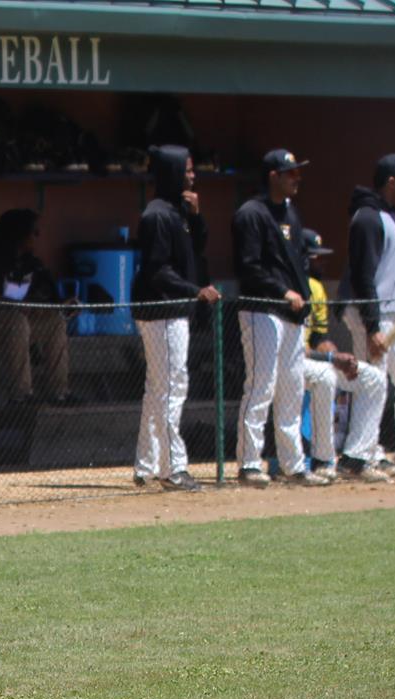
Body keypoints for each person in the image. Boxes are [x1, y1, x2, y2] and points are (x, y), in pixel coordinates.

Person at [232, 149, 324, 487]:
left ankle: (293, 465)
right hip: (261, 310)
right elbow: (249, 267)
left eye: (297, 173)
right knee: (261, 386)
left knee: (291, 390)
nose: (297, 179)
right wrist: (282, 291)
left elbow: (299, 263)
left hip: (291, 315)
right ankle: (248, 464)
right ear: (273, 176)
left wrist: (303, 296)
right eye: (291, 174)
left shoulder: (290, 213)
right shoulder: (251, 214)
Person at [130, 144, 218, 491]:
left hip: (172, 310)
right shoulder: (156, 215)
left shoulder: (178, 211)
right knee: (171, 388)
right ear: (171, 172)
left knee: (158, 389)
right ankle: (172, 468)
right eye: (186, 169)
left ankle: (147, 463)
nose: (192, 175)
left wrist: (196, 217)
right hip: (161, 311)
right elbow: (157, 270)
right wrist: (193, 290)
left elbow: (197, 249)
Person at [339, 154, 395, 477]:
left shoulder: (392, 218)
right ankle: (360, 456)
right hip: (375, 316)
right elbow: (364, 276)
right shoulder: (367, 217)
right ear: (391, 182)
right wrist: (372, 326)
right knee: (373, 385)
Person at [298, 230, 391, 484]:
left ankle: (356, 457)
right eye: (316, 258)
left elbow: (318, 337)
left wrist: (338, 354)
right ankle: (322, 460)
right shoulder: (292, 288)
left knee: (374, 378)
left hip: (315, 360)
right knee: (326, 376)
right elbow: (293, 349)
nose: (322, 261)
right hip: (292, 364)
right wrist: (330, 360)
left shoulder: (316, 288)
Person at [0, 208, 72, 403]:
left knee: (55, 323)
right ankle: (22, 394)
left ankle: (61, 393)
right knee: (17, 321)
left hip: (13, 324)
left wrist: (61, 307)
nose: (38, 237)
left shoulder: (32, 264)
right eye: (35, 232)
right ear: (20, 233)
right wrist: (23, 306)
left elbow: (43, 299)